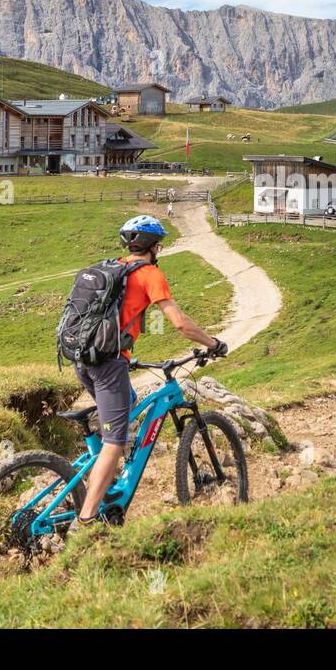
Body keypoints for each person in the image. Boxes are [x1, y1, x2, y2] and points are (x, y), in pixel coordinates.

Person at [75, 214, 226, 525]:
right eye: (160, 244)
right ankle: (88, 520)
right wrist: (213, 344)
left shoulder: (114, 267)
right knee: (115, 442)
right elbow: (181, 324)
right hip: (108, 364)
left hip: (83, 360)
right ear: (153, 247)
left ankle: (107, 486)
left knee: (127, 408)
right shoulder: (149, 274)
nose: (160, 249)